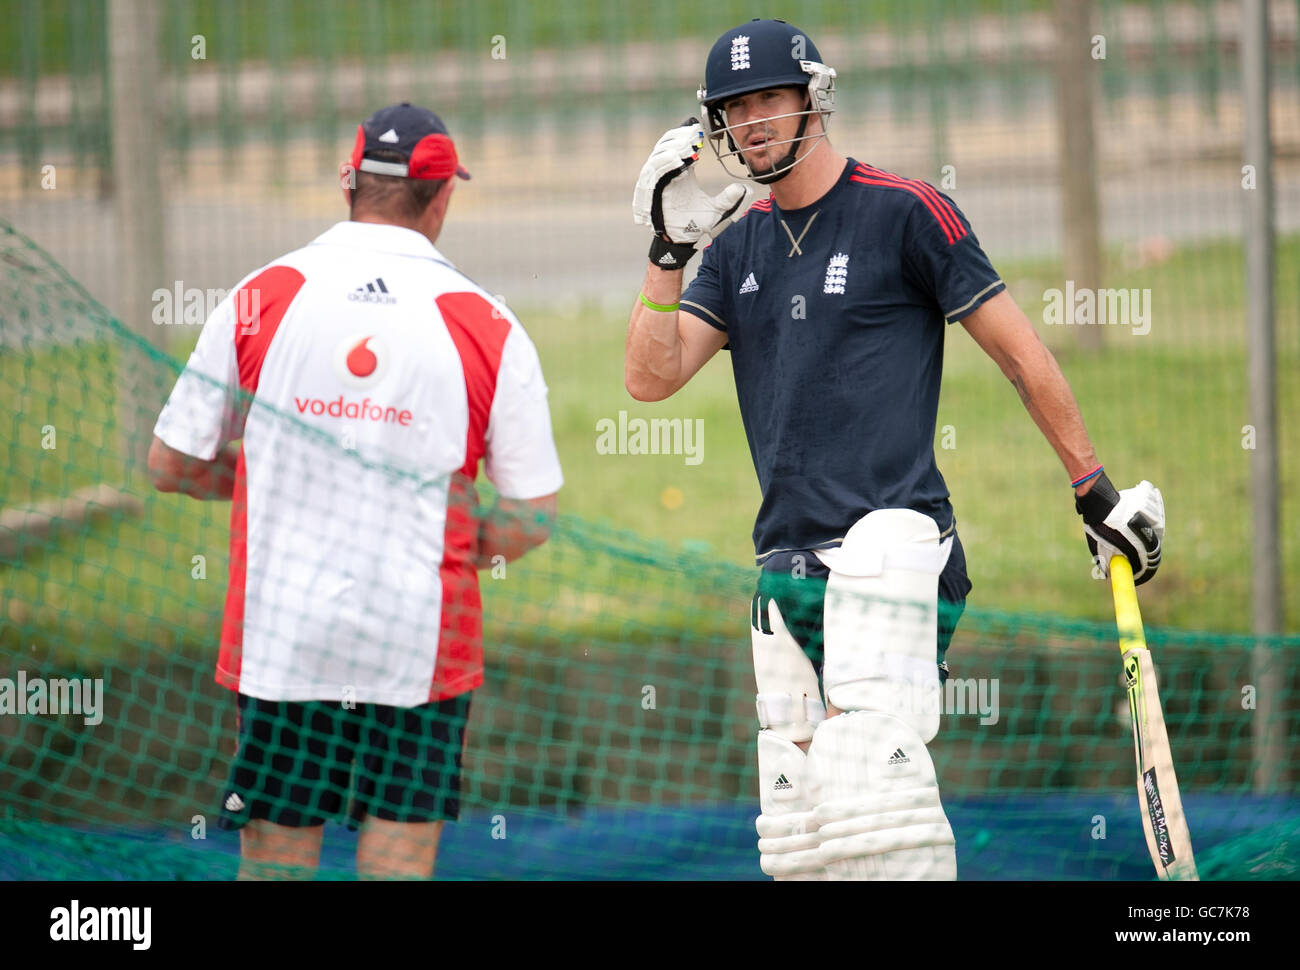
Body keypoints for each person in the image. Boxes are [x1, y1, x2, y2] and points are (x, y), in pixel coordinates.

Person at [627, 19, 1163, 880]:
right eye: (734, 109)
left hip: (898, 548)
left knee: (876, 813)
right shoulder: (733, 250)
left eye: (769, 98)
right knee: (801, 827)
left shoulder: (905, 211)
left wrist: (1092, 488)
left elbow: (1020, 355)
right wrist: (666, 254)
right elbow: (649, 381)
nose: (753, 122)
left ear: (814, 97)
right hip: (788, 560)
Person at [148, 102, 563, 879]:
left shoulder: (261, 296)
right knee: (399, 862)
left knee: (274, 860)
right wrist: (457, 542)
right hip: (419, 639)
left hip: (284, 637)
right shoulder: (488, 324)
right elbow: (532, 518)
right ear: (443, 198)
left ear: (349, 185)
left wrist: (273, 473)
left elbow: (171, 465)